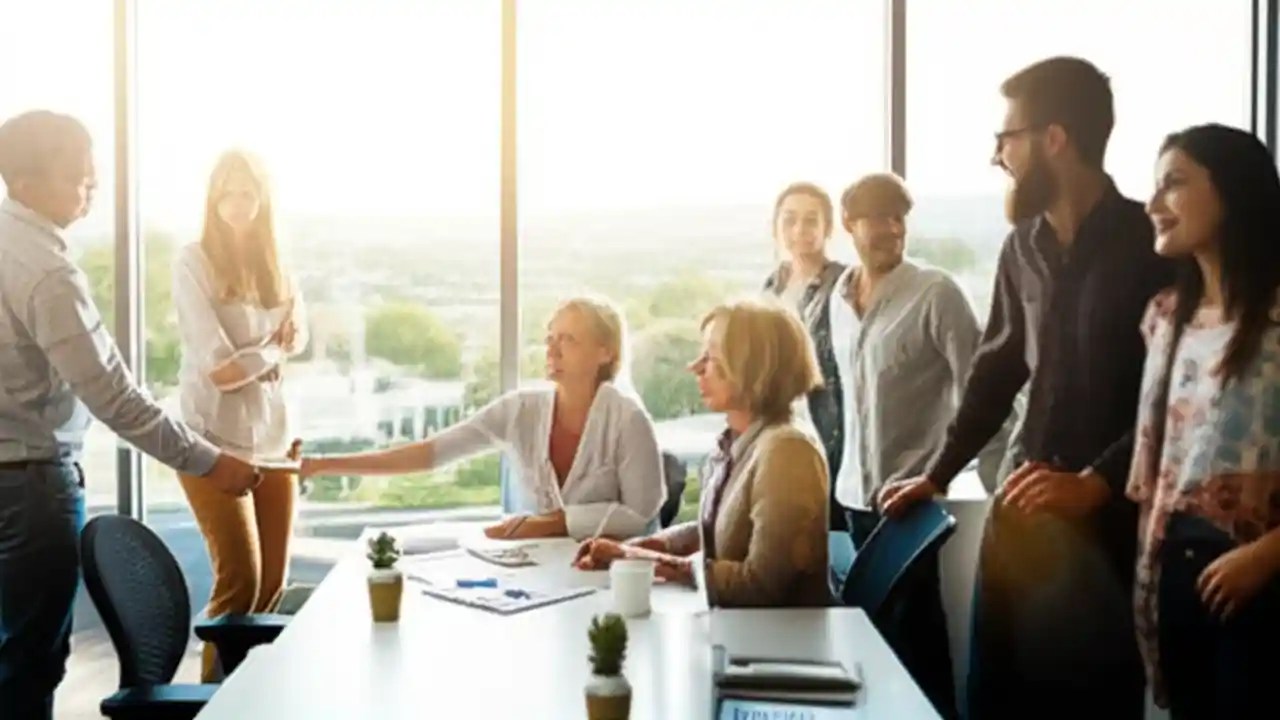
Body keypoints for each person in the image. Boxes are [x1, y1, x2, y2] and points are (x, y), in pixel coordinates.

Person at [878, 57, 1174, 718]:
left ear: (1054, 139)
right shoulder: (1021, 248)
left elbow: (1172, 399)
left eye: (1006, 137)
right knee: (995, 700)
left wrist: (1097, 482)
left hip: (1107, 534)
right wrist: (937, 473)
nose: (997, 156)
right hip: (1018, 522)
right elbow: (995, 371)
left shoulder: (1152, 248)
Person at [0, 110, 259, 719]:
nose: (91, 189)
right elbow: (114, 397)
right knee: (30, 662)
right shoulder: (46, 272)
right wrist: (209, 462)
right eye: (78, 178)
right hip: (31, 485)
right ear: (27, 182)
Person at [1128, 124, 1280, 718]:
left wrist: (1266, 557)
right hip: (1172, 568)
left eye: (1174, 183)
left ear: (1232, 189)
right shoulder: (1164, 317)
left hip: (1259, 577)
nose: (1153, 204)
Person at [301, 296, 665, 540]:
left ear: (605, 352)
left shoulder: (628, 420)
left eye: (568, 339)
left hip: (612, 580)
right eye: (550, 338)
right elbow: (431, 453)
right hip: (539, 574)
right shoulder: (520, 411)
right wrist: (323, 465)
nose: (552, 349)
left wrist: (551, 524)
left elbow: (639, 516)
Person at [828, 172, 982, 717]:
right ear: (849, 224)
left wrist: (945, 472)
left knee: (917, 641)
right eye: (877, 217)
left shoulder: (936, 292)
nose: (891, 229)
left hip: (912, 500)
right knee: (871, 642)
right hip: (854, 498)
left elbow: (982, 394)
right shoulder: (838, 299)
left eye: (899, 217)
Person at [575, 298, 830, 608]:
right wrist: (651, 545)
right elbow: (721, 529)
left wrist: (640, 557)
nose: (695, 367)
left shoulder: (787, 452)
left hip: (776, 633)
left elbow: (762, 586)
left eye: (711, 358)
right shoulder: (738, 442)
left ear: (753, 369)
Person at [172, 149, 309, 681]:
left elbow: (301, 337)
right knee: (240, 584)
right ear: (212, 198)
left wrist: (264, 356)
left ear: (263, 198)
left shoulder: (278, 266)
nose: (236, 203)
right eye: (226, 192)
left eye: (246, 193)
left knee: (272, 585)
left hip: (274, 437)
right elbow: (221, 371)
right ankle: (213, 703)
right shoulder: (193, 261)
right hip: (211, 439)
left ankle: (253, 696)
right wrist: (271, 352)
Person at [761, 182, 847, 529]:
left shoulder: (843, 283)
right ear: (775, 227)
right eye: (790, 220)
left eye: (811, 220)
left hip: (831, 422)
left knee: (828, 524)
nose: (800, 230)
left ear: (828, 227)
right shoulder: (772, 285)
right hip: (783, 420)